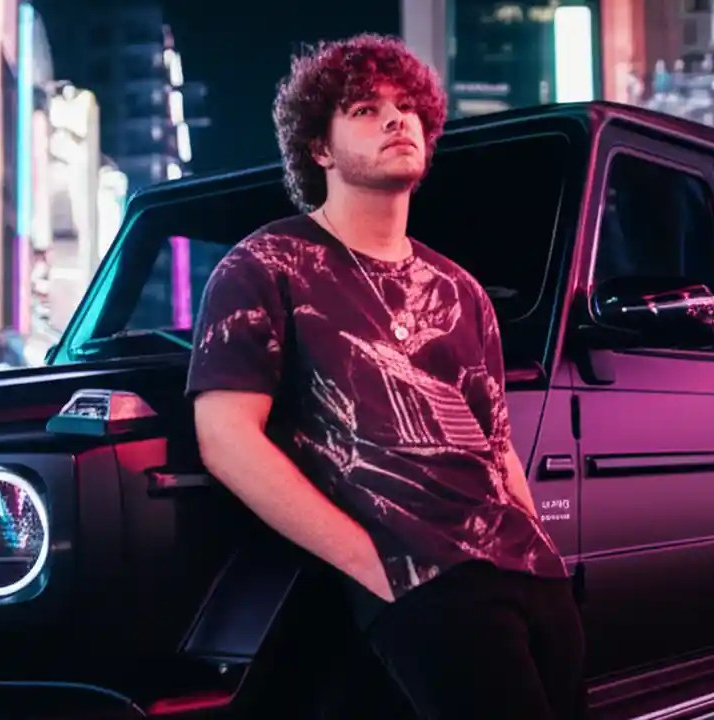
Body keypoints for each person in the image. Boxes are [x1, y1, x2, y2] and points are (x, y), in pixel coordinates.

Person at [185, 33, 585, 719]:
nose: (398, 120)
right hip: (416, 575)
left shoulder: (461, 290)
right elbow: (226, 439)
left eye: (407, 108)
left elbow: (496, 446)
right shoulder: (266, 265)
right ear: (319, 148)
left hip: (529, 575)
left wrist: (540, 545)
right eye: (366, 110)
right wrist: (373, 564)